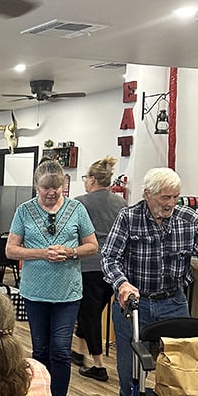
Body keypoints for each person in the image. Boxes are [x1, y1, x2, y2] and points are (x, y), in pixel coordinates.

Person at [101, 166, 198, 396]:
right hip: (135, 304)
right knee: (130, 374)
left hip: (173, 303)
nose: (171, 203)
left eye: (175, 197)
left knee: (181, 371)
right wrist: (122, 284)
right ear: (147, 194)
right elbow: (109, 257)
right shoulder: (128, 217)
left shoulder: (189, 220)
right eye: (165, 197)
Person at [6, 160, 97, 396]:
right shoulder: (24, 211)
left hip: (68, 293)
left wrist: (70, 253)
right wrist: (42, 253)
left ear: (63, 185)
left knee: (60, 350)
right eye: (46, 188)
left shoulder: (77, 209)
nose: (51, 193)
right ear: (37, 186)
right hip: (35, 292)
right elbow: (11, 250)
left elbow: (92, 246)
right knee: (40, 350)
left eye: (56, 188)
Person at [71, 157, 126, 381]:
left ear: (92, 179)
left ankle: (98, 364)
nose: (85, 181)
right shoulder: (122, 204)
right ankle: (78, 351)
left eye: (85, 178)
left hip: (88, 265)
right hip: (114, 269)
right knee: (91, 312)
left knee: (89, 314)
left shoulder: (80, 203)